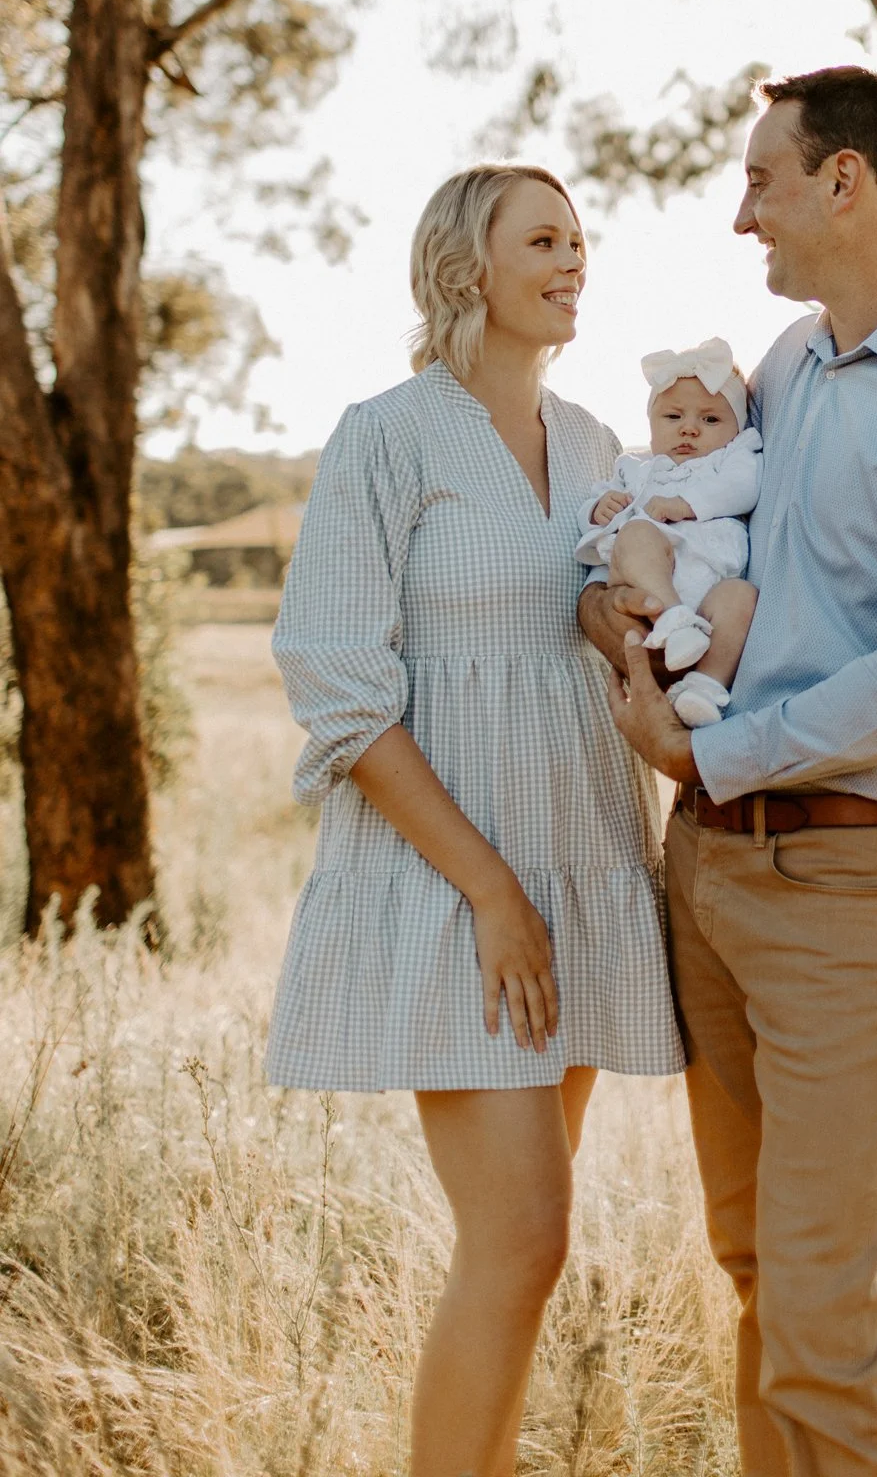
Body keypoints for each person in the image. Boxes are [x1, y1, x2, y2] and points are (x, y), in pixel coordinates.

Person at [581, 67, 877, 1477]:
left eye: (761, 180)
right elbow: (719, 546)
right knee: (749, 1267)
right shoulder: (785, 368)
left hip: (847, 877)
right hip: (709, 861)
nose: (743, 217)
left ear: (841, 181)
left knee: (818, 1310)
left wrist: (706, 746)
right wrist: (624, 610)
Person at [267, 163, 684, 1477]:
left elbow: (563, 604)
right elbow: (337, 680)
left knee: (525, 1249)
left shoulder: (596, 442)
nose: (574, 259)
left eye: (581, 238)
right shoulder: (387, 434)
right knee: (520, 1242)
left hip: (581, 855)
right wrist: (492, 893)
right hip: (458, 879)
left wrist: (611, 617)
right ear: (469, 269)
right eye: (544, 239)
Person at [575, 337, 761, 726]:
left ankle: (703, 688)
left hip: (712, 580)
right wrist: (599, 509)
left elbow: (746, 485)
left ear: (737, 430)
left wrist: (685, 505)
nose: (690, 430)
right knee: (638, 532)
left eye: (710, 420)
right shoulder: (636, 469)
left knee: (742, 598)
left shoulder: (733, 459)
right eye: (673, 417)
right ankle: (674, 620)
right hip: (653, 582)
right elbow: (594, 510)